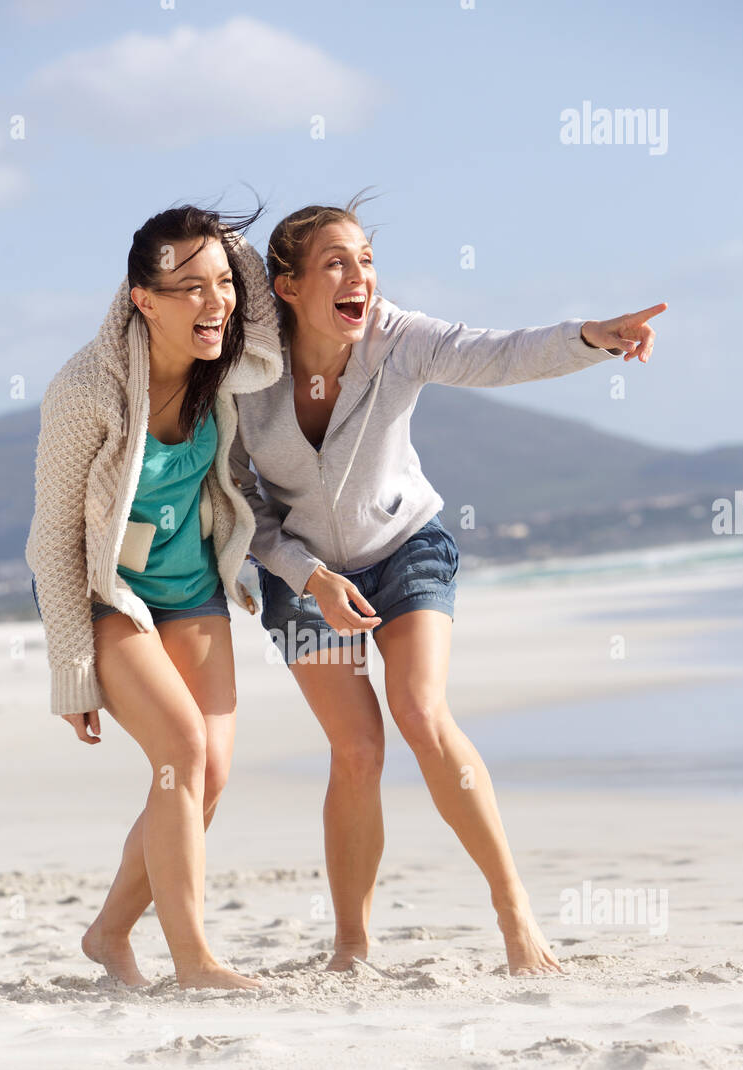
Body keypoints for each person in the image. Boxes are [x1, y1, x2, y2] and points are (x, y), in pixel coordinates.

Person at [229, 196, 666, 976]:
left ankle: (514, 915)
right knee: (357, 751)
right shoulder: (247, 375)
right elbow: (243, 511)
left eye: (364, 259)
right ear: (288, 286)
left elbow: (496, 352)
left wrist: (591, 339)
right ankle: (352, 947)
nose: (358, 274)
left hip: (404, 546)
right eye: (335, 262)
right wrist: (310, 575)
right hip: (299, 572)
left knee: (420, 714)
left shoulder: (394, 338)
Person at [26, 204, 281, 990]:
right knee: (182, 753)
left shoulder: (225, 357)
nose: (216, 303)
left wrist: (217, 243)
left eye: (223, 285)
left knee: (207, 776)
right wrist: (73, 669)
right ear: (141, 297)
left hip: (192, 588)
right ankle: (195, 961)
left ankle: (108, 934)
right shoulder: (87, 389)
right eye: (189, 288)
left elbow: (262, 312)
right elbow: (53, 540)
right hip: (113, 598)